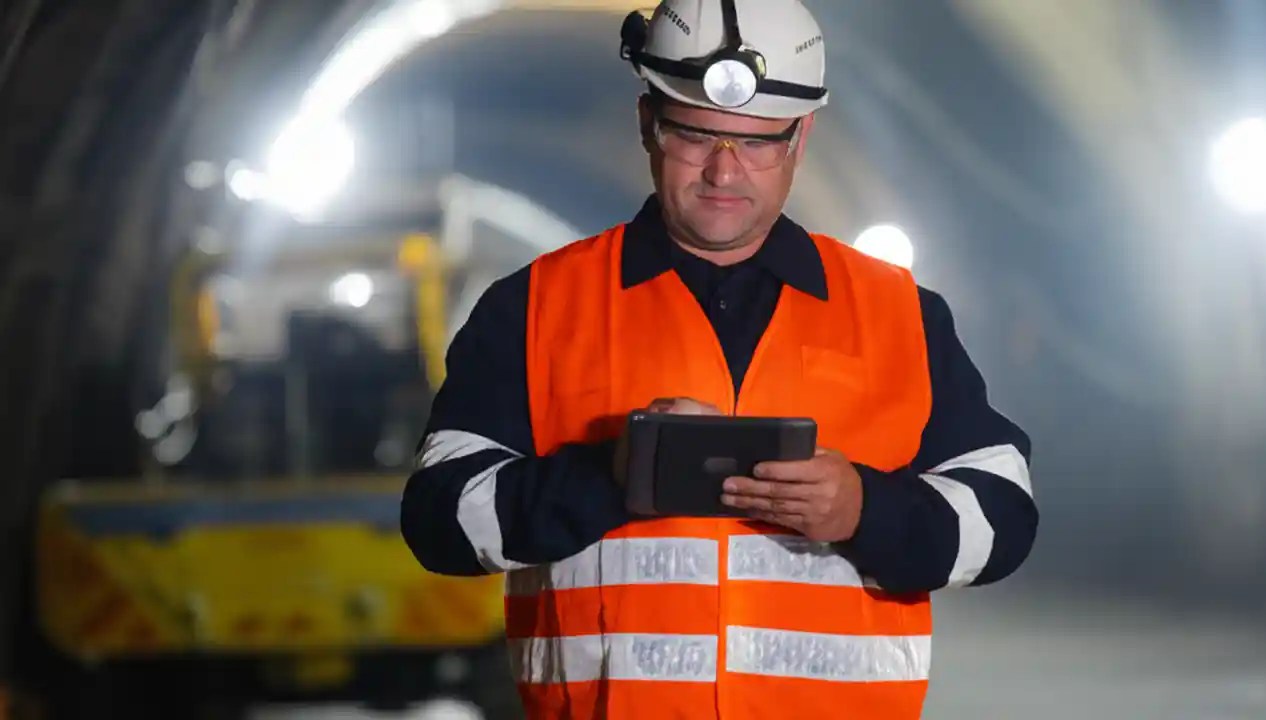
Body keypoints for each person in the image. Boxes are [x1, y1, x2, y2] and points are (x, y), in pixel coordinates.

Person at [401, 1, 1037, 717]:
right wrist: (613, 472)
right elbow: (438, 521)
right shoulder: (534, 308)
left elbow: (1005, 517)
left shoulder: (901, 315)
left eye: (758, 142)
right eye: (696, 135)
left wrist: (866, 508)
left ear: (802, 137)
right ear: (648, 124)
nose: (724, 172)